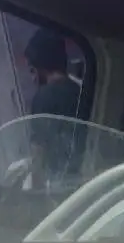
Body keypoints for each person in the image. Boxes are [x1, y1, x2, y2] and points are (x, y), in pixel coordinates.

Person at [24, 28, 84, 190]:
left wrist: (34, 198)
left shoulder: (43, 98)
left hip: (60, 188)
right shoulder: (81, 90)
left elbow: (39, 156)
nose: (32, 78)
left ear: (41, 68)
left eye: (32, 70)